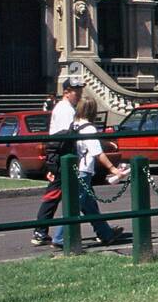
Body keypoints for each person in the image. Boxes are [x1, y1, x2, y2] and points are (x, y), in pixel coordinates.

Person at [52, 95, 128, 250]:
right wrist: (113, 169)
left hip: (73, 170)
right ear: (93, 111)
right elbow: (97, 153)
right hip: (83, 171)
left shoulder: (74, 125)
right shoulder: (89, 128)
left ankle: (105, 233)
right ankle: (59, 238)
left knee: (89, 205)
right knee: (74, 206)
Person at [31, 77, 83, 246]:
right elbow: (68, 134)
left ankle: (43, 231)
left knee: (63, 195)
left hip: (60, 156)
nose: (80, 94)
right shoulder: (65, 109)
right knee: (55, 195)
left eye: (81, 91)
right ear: (66, 92)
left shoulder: (67, 108)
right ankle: (42, 231)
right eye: (77, 92)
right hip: (61, 157)